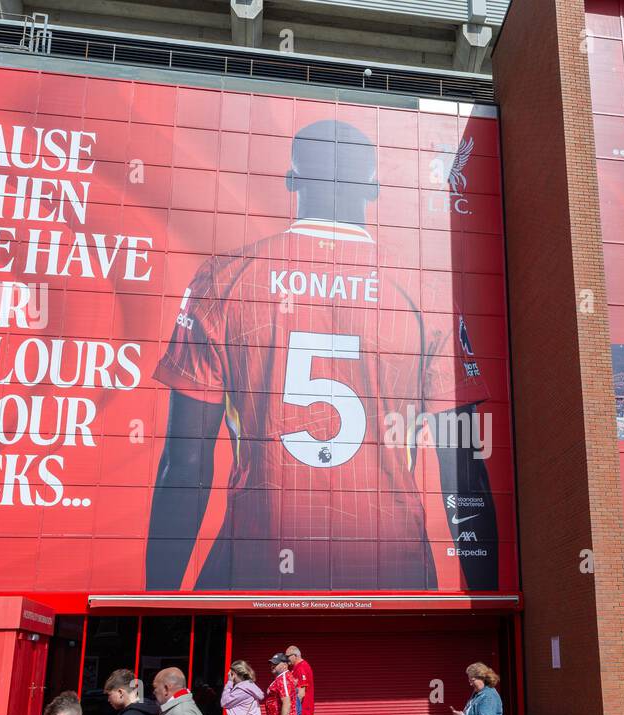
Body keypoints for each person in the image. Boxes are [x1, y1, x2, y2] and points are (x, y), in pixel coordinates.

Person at [145, 119, 497, 593]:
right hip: (393, 570)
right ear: (373, 189)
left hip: (252, 565)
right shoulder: (427, 290)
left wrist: (153, 603)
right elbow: (464, 473)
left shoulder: (223, 280)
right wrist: (491, 605)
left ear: (293, 181)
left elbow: (183, 463)